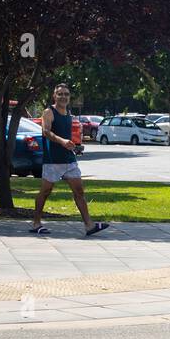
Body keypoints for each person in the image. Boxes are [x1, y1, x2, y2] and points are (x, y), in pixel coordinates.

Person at [30, 83, 109, 237]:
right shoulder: (49, 112)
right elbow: (46, 132)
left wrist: (75, 147)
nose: (63, 97)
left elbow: (66, 137)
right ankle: (36, 223)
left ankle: (89, 225)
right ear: (54, 96)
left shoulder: (68, 113)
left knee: (79, 191)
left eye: (66, 94)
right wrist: (62, 142)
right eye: (60, 94)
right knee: (45, 192)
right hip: (53, 160)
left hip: (69, 159)